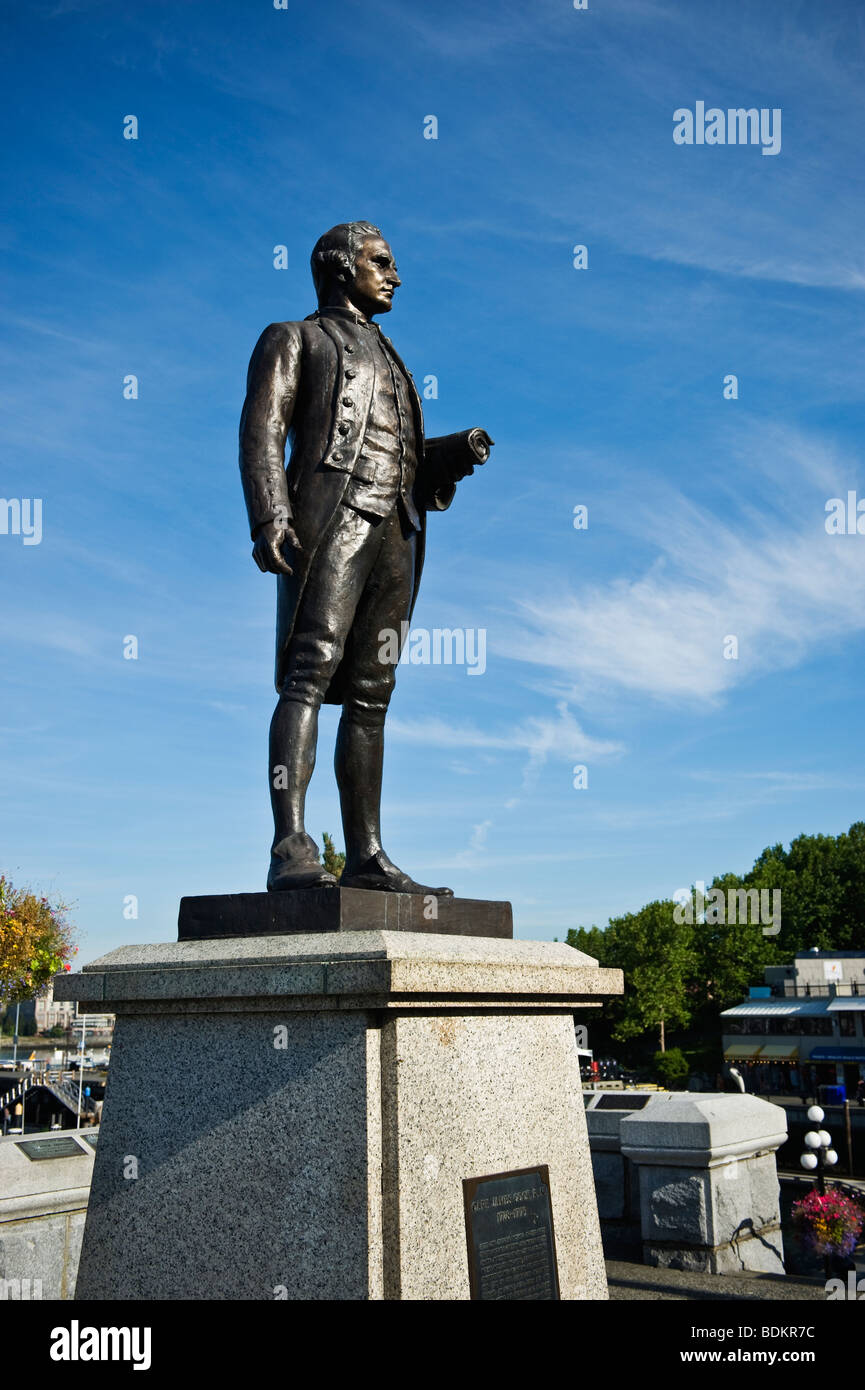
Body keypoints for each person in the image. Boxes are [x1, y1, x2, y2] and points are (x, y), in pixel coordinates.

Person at [240, 222, 493, 893]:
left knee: (374, 695)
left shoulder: (392, 353)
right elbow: (263, 428)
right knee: (308, 673)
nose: (395, 275)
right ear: (337, 267)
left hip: (397, 530)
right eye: (381, 262)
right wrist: (271, 515)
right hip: (332, 521)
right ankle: (291, 848)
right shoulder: (292, 338)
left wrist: (449, 453)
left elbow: (398, 448)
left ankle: (366, 856)